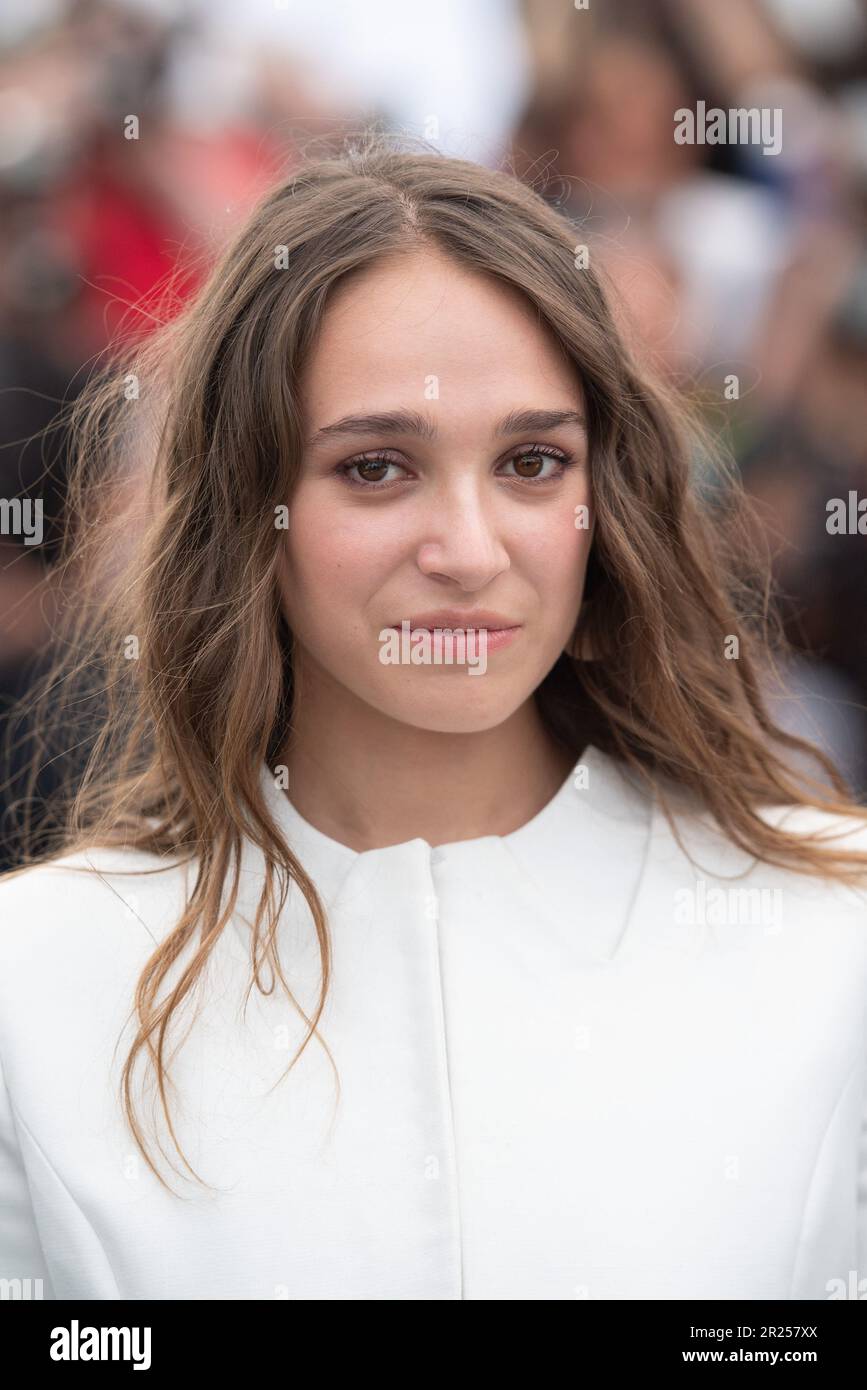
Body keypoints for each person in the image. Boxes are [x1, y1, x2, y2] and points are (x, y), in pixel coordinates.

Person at [1, 134, 866, 1302]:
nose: (468, 550)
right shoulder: (38, 979)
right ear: (248, 502)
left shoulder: (829, 934)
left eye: (531, 461)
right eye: (375, 469)